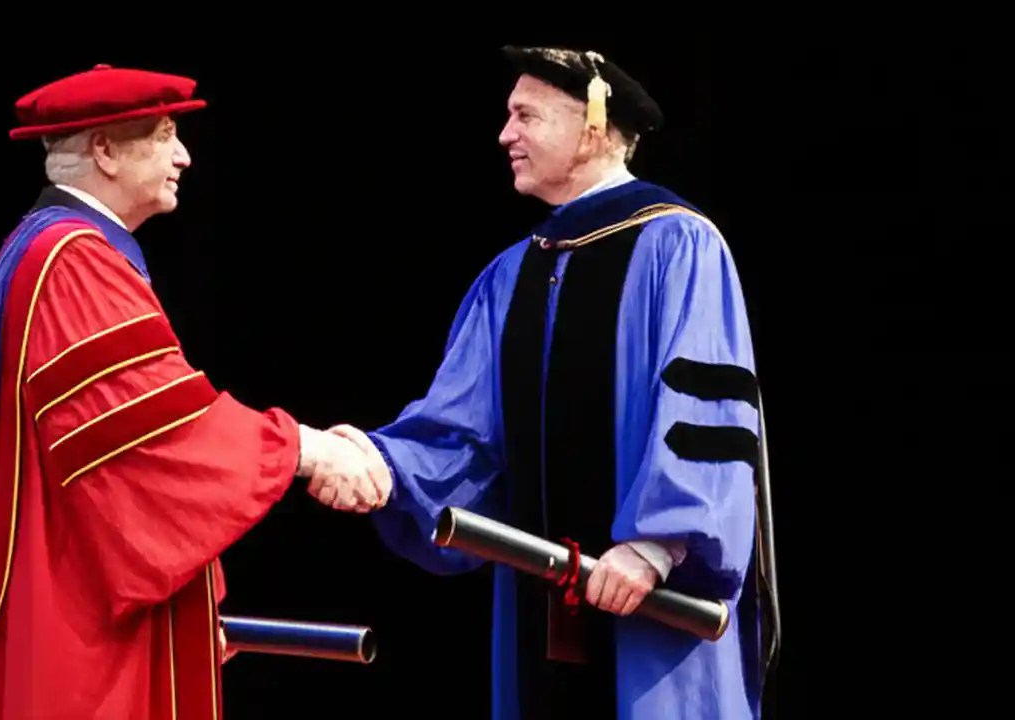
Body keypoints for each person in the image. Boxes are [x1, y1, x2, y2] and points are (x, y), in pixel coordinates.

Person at [310, 46, 779, 719]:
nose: (506, 134)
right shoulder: (513, 274)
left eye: (525, 115)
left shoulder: (680, 245)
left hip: (654, 604)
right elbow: (460, 431)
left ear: (592, 127)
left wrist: (654, 547)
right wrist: (376, 462)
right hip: (543, 608)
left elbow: (707, 417)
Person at [0, 63, 386, 720]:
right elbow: (154, 439)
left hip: (61, 592)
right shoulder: (72, 260)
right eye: (164, 136)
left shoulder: (39, 249)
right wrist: (306, 450)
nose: (184, 157)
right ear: (105, 149)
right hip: (76, 625)